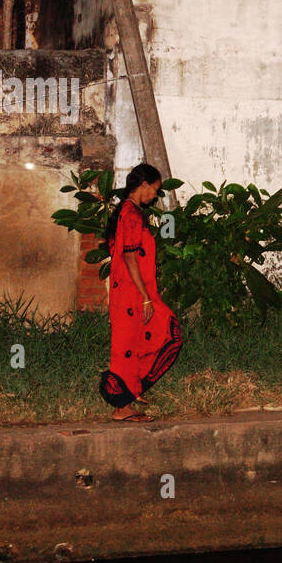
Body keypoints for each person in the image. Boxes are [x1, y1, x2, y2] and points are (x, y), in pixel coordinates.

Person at [99, 163, 184, 421]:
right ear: (144, 185)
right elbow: (130, 259)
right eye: (155, 190)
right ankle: (121, 406)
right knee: (139, 341)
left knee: (140, 340)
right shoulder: (132, 214)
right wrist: (145, 297)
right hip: (132, 293)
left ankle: (131, 389)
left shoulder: (129, 210)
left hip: (132, 291)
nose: (155, 196)